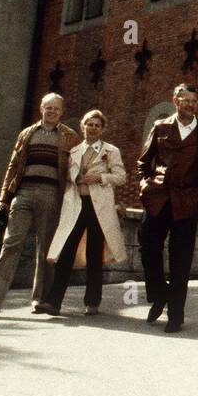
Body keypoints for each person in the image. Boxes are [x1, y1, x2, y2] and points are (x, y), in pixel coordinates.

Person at [0, 93, 79, 315]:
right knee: (10, 243)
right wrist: (3, 200)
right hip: (24, 192)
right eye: (48, 107)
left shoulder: (70, 137)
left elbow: (76, 170)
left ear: (62, 112)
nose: (52, 112)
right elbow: (12, 167)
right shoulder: (27, 134)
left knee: (46, 248)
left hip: (51, 194)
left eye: (56, 109)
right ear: (41, 108)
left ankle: (41, 299)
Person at [137, 83, 198, 333]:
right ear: (175, 101)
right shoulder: (160, 127)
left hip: (187, 202)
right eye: (185, 101)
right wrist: (145, 185)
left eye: (194, 101)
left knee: (180, 258)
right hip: (159, 198)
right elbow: (144, 162)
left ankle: (175, 314)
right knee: (147, 246)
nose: (191, 105)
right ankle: (159, 293)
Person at [44, 110, 128, 315]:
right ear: (83, 126)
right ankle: (54, 302)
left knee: (94, 253)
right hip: (77, 205)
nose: (93, 128)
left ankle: (92, 302)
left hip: (98, 208)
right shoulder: (74, 151)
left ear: (102, 129)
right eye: (89, 124)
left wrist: (100, 178)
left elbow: (121, 177)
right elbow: (68, 176)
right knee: (66, 252)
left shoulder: (111, 151)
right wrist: (77, 178)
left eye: (97, 125)